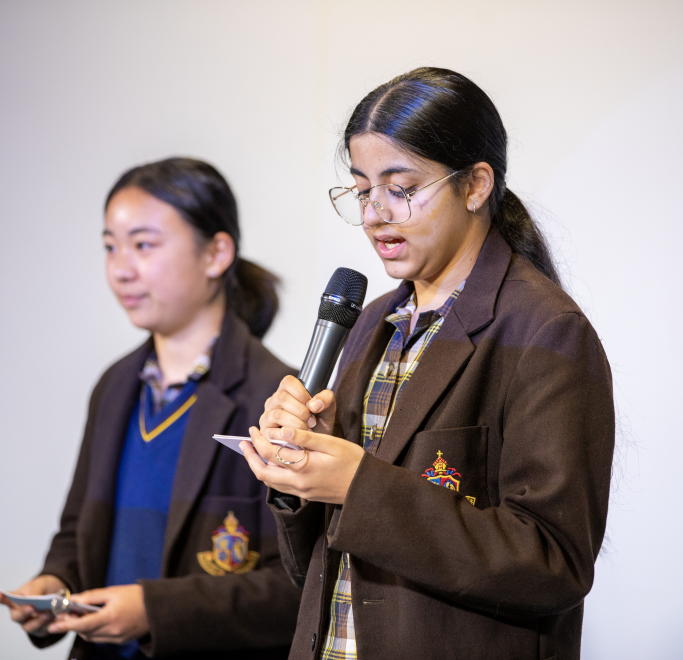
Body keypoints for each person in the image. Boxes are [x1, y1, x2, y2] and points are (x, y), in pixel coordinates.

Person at [242, 68, 615, 660]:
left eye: (401, 188)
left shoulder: (545, 330)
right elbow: (320, 569)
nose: (374, 214)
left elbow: (553, 564)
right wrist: (300, 473)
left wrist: (358, 485)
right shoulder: (372, 323)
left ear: (475, 186)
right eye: (363, 190)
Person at [0, 157, 302, 660]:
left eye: (143, 245)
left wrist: (152, 610)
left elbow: (295, 587)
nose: (120, 268)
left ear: (216, 253)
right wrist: (55, 582)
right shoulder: (116, 385)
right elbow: (78, 531)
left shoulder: (277, 396)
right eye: (110, 247)